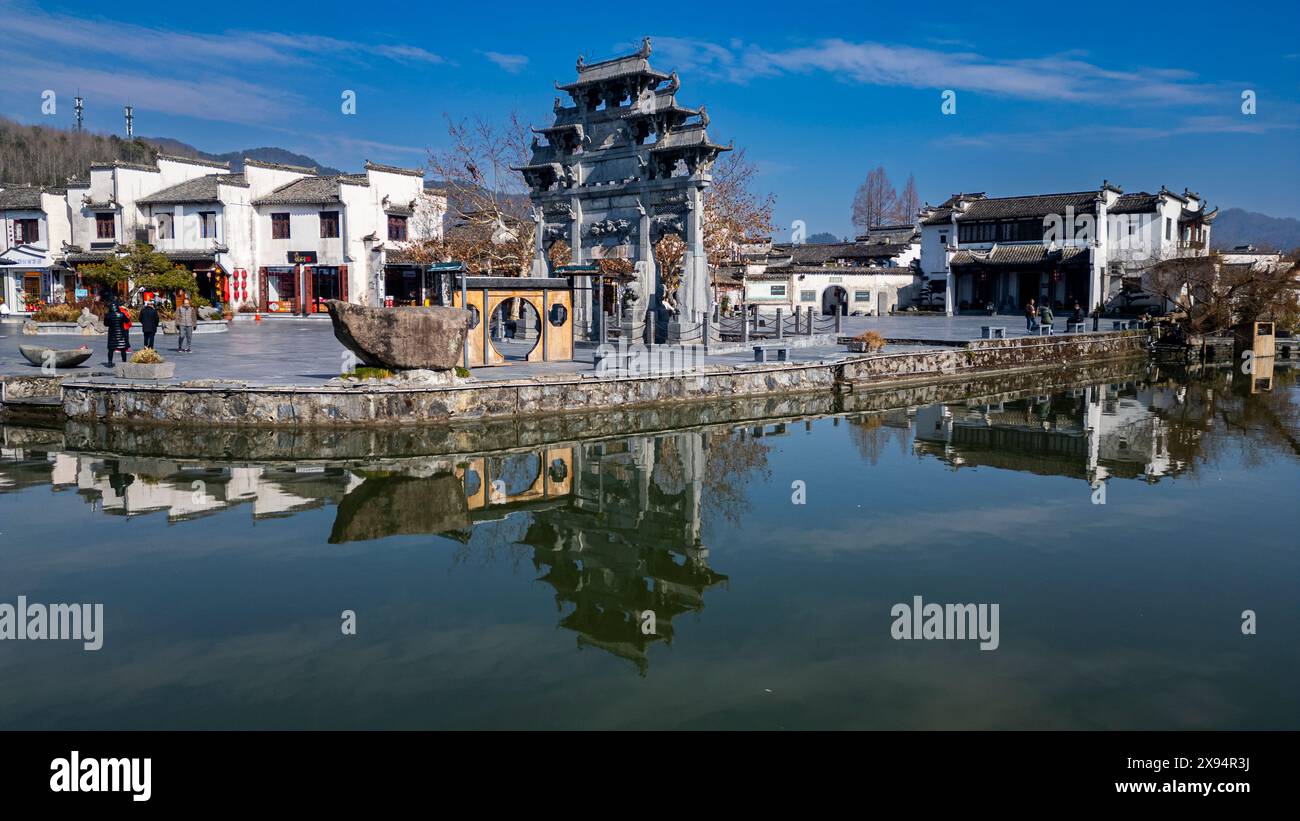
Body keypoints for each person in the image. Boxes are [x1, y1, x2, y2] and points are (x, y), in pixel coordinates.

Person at [104, 298, 131, 364]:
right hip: (121, 333)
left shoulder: (108, 315)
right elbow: (127, 320)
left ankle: (110, 362)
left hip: (112, 334)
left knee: (111, 349)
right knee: (123, 349)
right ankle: (124, 362)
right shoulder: (121, 314)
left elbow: (105, 324)